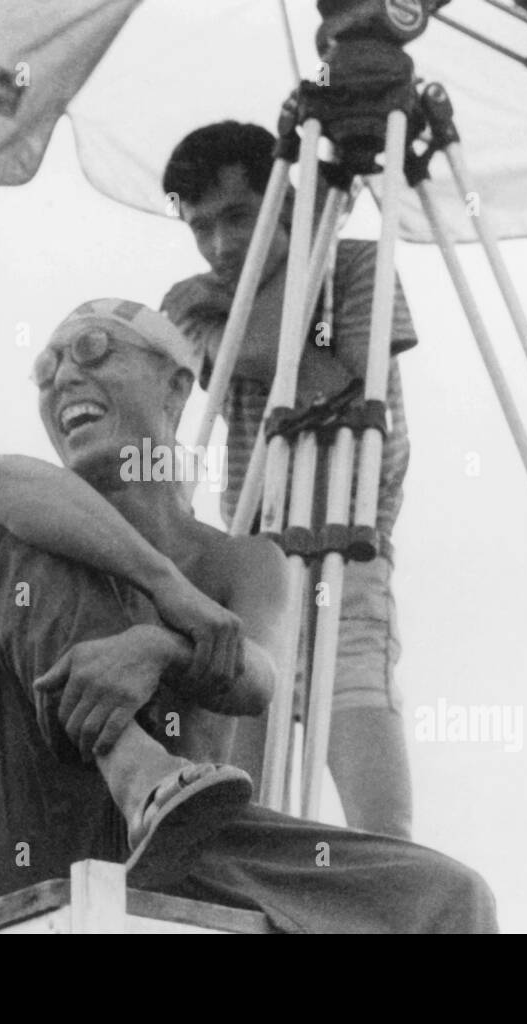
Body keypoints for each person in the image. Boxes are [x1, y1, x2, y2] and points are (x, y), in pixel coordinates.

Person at [0, 298, 496, 933]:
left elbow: (259, 679)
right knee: (39, 538)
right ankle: (135, 769)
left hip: (175, 841)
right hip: (17, 831)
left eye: (91, 351)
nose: (63, 380)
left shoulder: (243, 561)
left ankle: (153, 792)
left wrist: (159, 649)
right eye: (45, 370)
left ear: (177, 384)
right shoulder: (25, 518)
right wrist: (172, 593)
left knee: (449, 894)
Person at [160, 121, 417, 840]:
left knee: (380, 815)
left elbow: (317, 373)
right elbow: (276, 358)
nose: (219, 246)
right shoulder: (203, 302)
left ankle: (393, 904)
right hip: (253, 563)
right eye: (201, 227)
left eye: (239, 216)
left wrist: (254, 297)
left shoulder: (362, 263)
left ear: (286, 204)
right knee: (243, 801)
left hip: (350, 548)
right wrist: (261, 292)